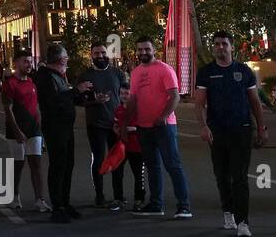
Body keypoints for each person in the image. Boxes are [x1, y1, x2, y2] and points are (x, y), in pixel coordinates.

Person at [195, 31, 267, 237]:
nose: (220, 47)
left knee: (240, 176)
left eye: (224, 44)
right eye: (216, 44)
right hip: (217, 131)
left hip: (242, 129)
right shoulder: (206, 72)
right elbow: (199, 103)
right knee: (222, 175)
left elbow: (255, 102)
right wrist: (203, 126)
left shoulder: (243, 71)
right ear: (213, 47)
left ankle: (243, 221)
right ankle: (228, 213)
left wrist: (262, 128)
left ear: (231, 46)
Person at [34, 43, 101, 223]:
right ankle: (57, 207)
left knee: (67, 165)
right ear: (60, 59)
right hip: (55, 127)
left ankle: (64, 202)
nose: (67, 59)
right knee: (58, 166)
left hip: (65, 126)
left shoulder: (59, 76)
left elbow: (68, 99)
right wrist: (76, 91)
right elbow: (53, 102)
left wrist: (88, 97)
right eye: (65, 56)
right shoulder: (46, 77)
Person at [127, 37, 192, 218]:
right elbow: (133, 100)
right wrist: (125, 123)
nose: (143, 53)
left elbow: (175, 96)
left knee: (172, 165)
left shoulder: (164, 69)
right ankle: (156, 204)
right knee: (152, 166)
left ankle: (184, 206)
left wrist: (163, 117)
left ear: (154, 50)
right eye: (140, 50)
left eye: (147, 49)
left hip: (164, 126)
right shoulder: (136, 73)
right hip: (143, 126)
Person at [80, 41, 128, 209]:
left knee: (117, 159)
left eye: (102, 53)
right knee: (99, 159)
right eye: (96, 54)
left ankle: (118, 196)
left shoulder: (118, 74)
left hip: (115, 124)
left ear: (107, 54)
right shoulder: (86, 75)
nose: (100, 56)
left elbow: (126, 96)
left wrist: (125, 119)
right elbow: (80, 100)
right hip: (96, 124)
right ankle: (99, 196)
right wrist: (94, 100)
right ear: (91, 56)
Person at [0, 50, 48, 211]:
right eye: (25, 61)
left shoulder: (32, 83)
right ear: (16, 63)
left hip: (34, 130)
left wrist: (40, 130)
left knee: (36, 164)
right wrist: (17, 131)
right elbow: (8, 110)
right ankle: (15, 197)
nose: (29, 65)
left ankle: (40, 200)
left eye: (30, 61)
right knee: (18, 164)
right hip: (16, 131)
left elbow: (37, 108)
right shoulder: (9, 84)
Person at [112, 84, 146, 208]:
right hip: (122, 146)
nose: (124, 96)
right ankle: (118, 198)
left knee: (138, 174)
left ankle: (139, 199)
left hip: (137, 147)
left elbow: (144, 126)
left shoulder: (139, 109)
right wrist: (116, 129)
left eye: (127, 93)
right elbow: (115, 124)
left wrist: (131, 128)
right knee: (117, 172)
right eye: (122, 93)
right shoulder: (118, 109)